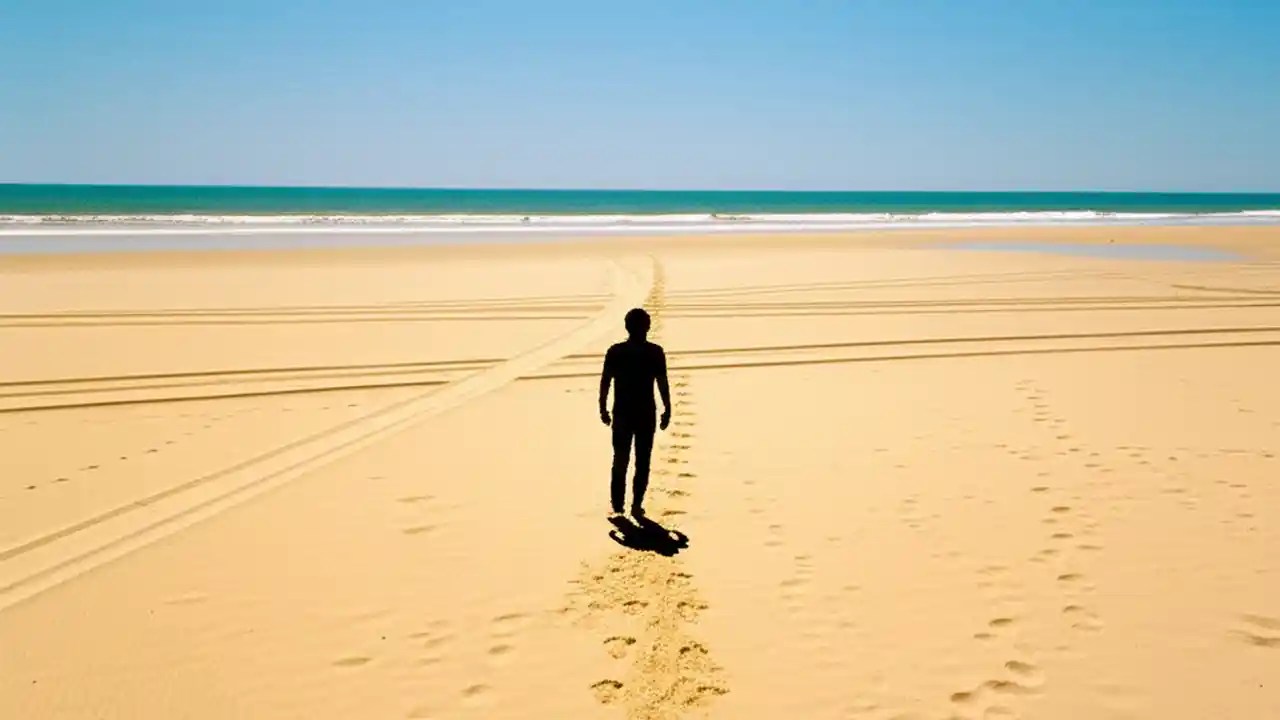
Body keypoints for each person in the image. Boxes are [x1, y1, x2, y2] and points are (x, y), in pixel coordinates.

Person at [599, 308, 671, 518]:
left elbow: (605, 382)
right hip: (644, 413)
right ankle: (635, 505)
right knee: (642, 460)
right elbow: (662, 383)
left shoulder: (616, 351)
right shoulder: (654, 352)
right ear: (647, 327)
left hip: (623, 412)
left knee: (621, 459)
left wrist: (602, 406)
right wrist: (668, 408)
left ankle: (619, 506)